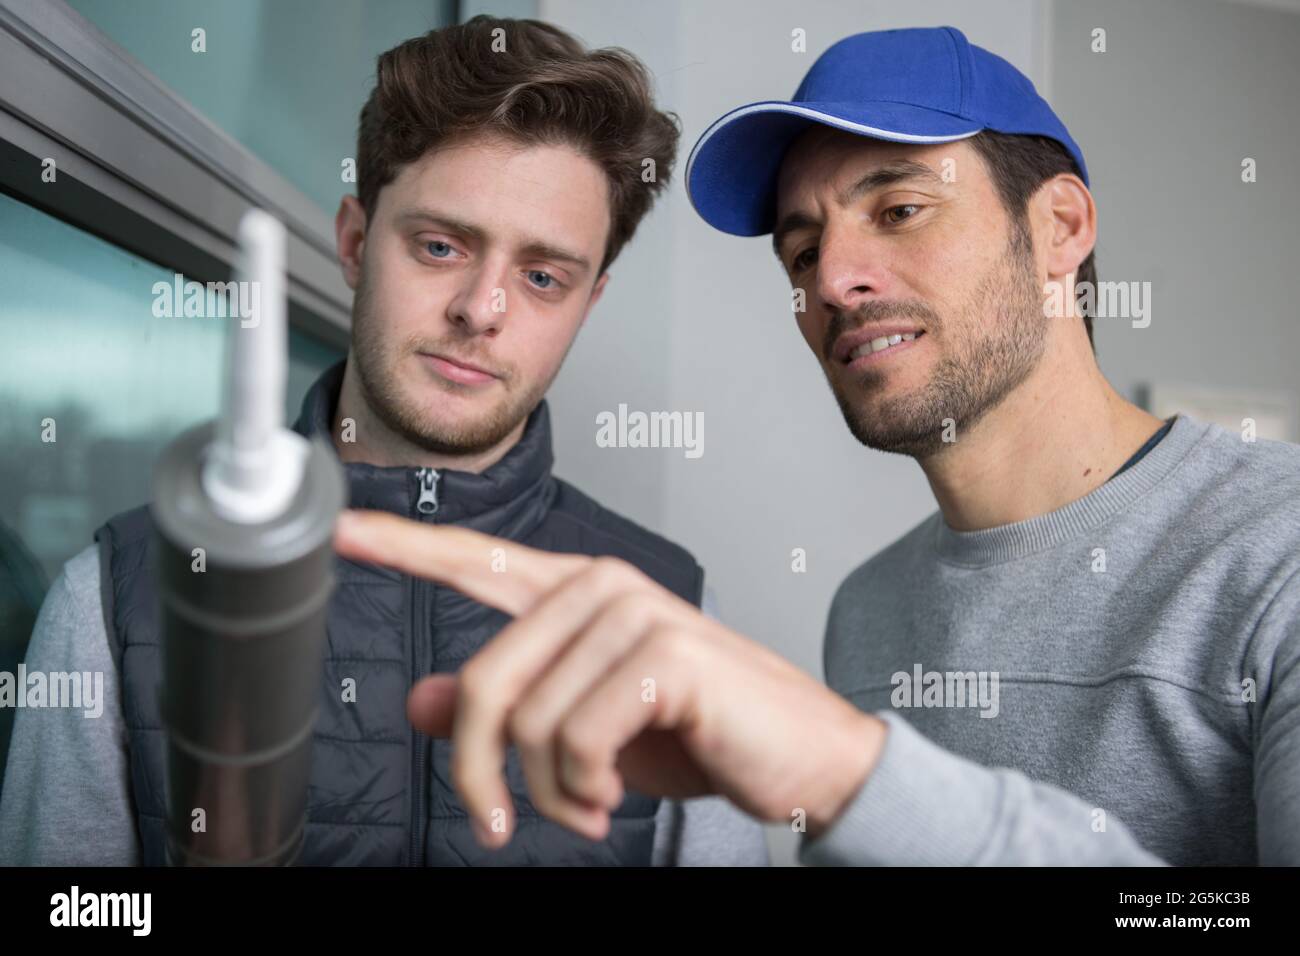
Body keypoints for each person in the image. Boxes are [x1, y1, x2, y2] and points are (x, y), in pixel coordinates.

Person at [330, 25, 1300, 866]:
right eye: (800, 249)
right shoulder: (868, 610)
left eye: (899, 210)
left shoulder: (1274, 553)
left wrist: (848, 767)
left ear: (1059, 226)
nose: (833, 278)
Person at [0, 16, 767, 866]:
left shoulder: (671, 620)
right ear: (357, 245)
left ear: (587, 304)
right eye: (440, 246)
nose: (482, 309)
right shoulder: (112, 600)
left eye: (543, 277)